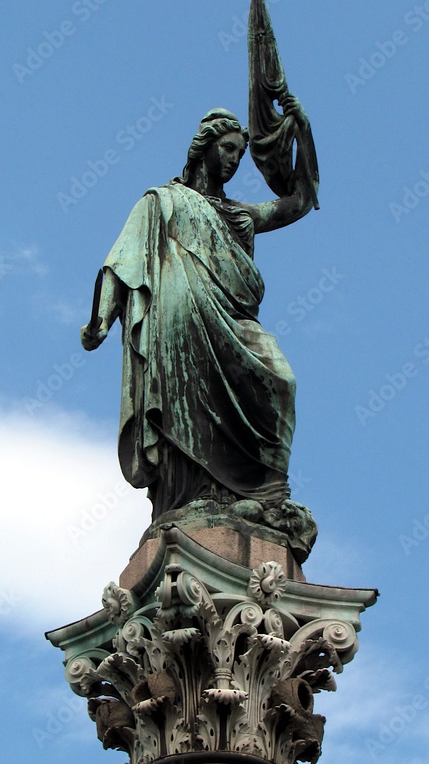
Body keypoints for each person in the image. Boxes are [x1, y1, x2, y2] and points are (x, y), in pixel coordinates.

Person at [81, 106, 317, 557]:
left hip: (230, 319)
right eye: (227, 149)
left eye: (240, 154)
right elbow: (124, 262)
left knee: (278, 379)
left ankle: (262, 496)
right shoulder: (162, 202)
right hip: (179, 319)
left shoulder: (241, 215)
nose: (233, 160)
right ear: (204, 148)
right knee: (186, 400)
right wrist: (102, 320)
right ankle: (193, 498)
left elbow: (298, 203)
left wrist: (300, 135)